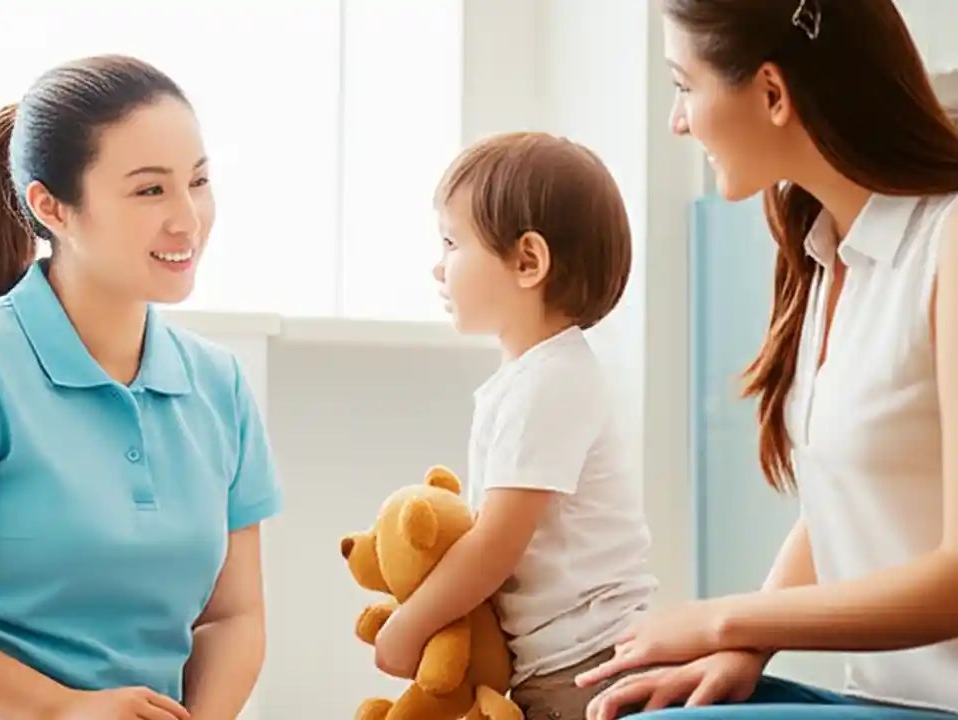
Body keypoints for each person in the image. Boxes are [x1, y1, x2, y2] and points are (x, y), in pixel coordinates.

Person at [0, 54, 283, 720]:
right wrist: (61, 708)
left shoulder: (218, 386)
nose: (188, 219)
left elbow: (232, 616)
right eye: (149, 191)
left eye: (199, 180)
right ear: (52, 207)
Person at [573, 0, 958, 718]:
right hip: (884, 700)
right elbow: (849, 497)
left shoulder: (948, 242)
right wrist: (741, 648)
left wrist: (727, 621)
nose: (677, 121)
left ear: (773, 94)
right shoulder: (824, 251)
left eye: (684, 86)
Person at [371, 131, 659, 720]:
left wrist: (411, 623)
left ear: (528, 261)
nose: (437, 265)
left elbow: (497, 543)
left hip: (589, 664)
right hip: (565, 661)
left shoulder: (551, 382)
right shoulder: (533, 377)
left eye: (451, 242)